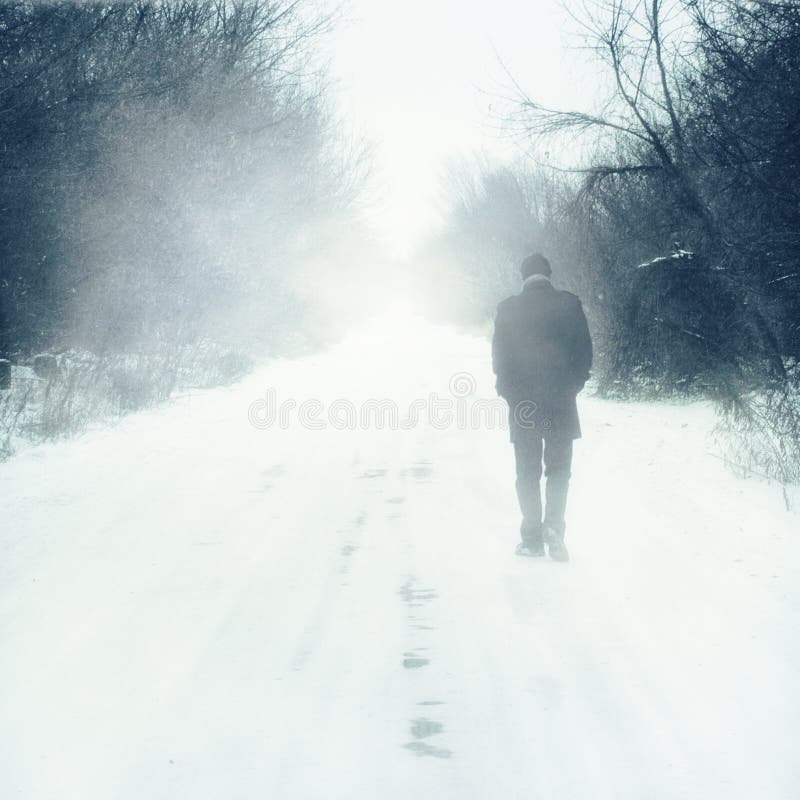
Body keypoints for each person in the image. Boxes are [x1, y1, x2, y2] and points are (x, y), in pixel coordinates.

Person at [492, 253, 593, 561]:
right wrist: (572, 385)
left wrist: (509, 393)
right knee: (559, 470)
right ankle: (555, 529)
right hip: (560, 402)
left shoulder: (507, 309)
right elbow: (585, 354)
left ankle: (532, 539)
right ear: (549, 275)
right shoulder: (570, 304)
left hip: (524, 405)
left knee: (527, 472)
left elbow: (500, 360)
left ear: (523, 277)